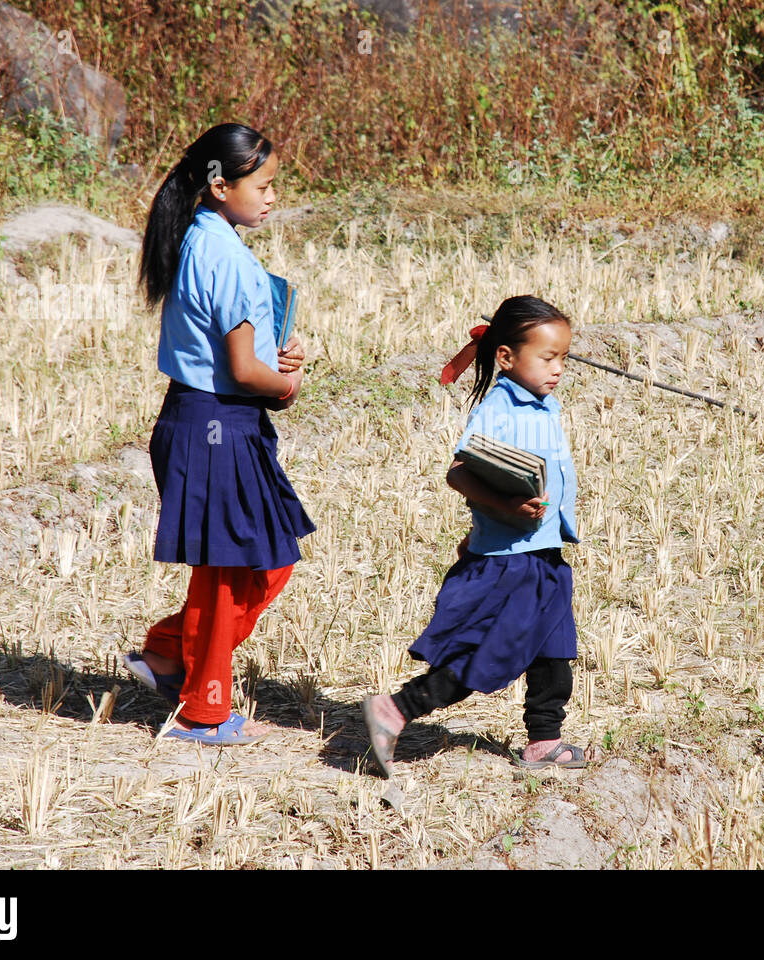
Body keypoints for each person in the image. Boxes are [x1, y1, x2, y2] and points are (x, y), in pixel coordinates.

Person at [122, 122, 315, 745]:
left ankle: (167, 652)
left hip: (200, 419)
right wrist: (288, 383)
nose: (271, 196)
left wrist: (271, 371)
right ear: (219, 184)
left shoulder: (201, 238)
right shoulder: (225, 256)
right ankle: (204, 711)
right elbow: (242, 369)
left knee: (254, 563)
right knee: (235, 572)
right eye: (262, 184)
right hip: (217, 426)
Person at [363, 295, 585, 775]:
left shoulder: (546, 405)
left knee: (554, 651)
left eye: (563, 358)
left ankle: (545, 740)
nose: (558, 369)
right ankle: (398, 708)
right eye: (548, 358)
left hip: (543, 554)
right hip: (511, 559)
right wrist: (504, 507)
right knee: (490, 654)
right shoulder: (498, 409)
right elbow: (461, 473)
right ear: (506, 356)